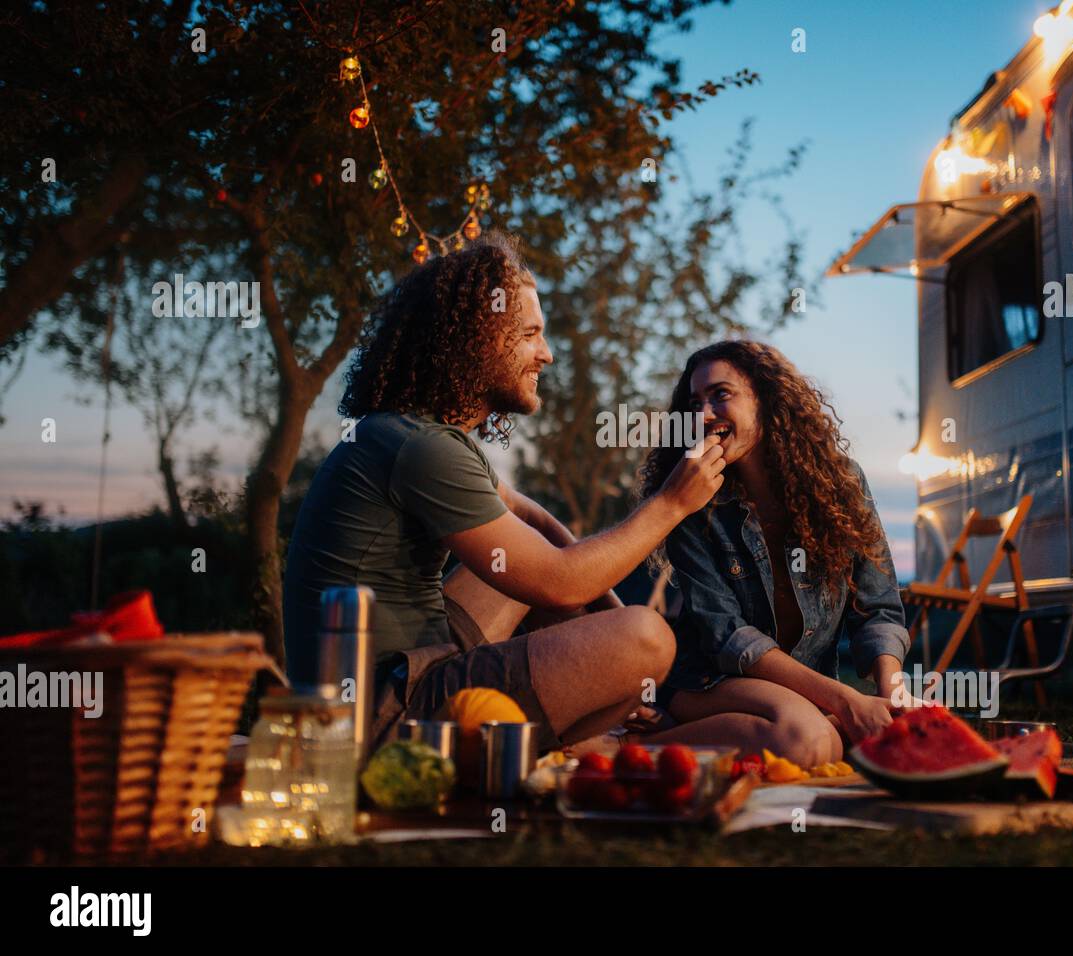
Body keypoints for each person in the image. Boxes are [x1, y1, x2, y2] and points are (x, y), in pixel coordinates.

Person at [282, 231, 725, 754]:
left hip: (404, 675)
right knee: (647, 637)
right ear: (476, 338)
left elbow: (537, 524)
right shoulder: (421, 448)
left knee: (519, 572)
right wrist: (670, 504)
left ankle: (562, 733)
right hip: (373, 720)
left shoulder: (414, 434)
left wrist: (602, 613)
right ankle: (533, 747)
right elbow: (560, 583)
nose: (548, 355)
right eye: (530, 334)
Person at [635, 340, 910, 766]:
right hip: (709, 680)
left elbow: (878, 608)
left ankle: (691, 736)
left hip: (806, 691)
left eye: (720, 395)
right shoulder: (689, 496)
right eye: (695, 402)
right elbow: (728, 639)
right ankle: (628, 745)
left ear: (766, 399)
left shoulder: (843, 482)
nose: (703, 414)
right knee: (807, 742)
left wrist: (891, 692)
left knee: (839, 741)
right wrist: (845, 701)